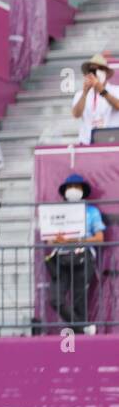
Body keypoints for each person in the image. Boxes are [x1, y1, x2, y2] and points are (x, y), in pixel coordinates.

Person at [42, 174, 103, 333]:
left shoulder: (92, 211)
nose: (73, 190)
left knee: (79, 301)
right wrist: (61, 241)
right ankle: (84, 328)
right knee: (55, 299)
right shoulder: (57, 212)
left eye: (77, 187)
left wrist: (76, 240)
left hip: (83, 258)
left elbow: (99, 237)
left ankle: (78, 346)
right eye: (70, 187)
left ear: (83, 190)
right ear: (65, 191)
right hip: (60, 260)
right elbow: (49, 241)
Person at [71, 53, 119, 145]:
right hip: (87, 143)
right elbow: (76, 114)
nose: (96, 72)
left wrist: (102, 90)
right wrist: (85, 93)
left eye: (100, 68)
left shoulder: (116, 90)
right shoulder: (80, 94)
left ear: (106, 73)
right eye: (92, 70)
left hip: (112, 143)